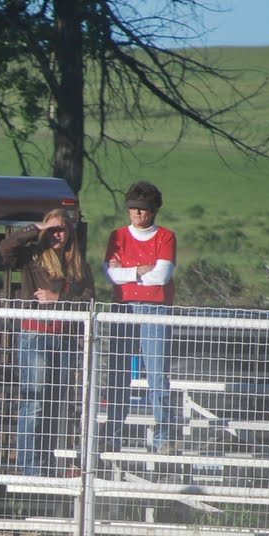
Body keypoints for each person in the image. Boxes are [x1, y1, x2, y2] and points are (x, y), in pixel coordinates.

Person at [0, 208, 95, 478]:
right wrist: (35, 229)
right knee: (35, 401)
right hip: (36, 335)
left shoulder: (79, 266)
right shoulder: (33, 258)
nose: (56, 235)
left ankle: (46, 466)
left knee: (55, 404)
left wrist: (58, 299)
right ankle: (30, 469)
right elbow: (6, 248)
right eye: (52, 230)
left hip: (65, 339)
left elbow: (89, 301)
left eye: (61, 230)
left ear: (70, 233)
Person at [103, 181, 178, 453]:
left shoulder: (165, 237)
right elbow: (110, 273)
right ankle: (113, 435)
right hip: (123, 307)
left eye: (143, 209)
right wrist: (139, 271)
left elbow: (161, 276)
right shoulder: (118, 236)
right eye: (133, 208)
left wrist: (126, 271)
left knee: (157, 375)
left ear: (153, 211)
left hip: (156, 309)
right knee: (118, 374)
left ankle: (163, 438)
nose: (137, 214)